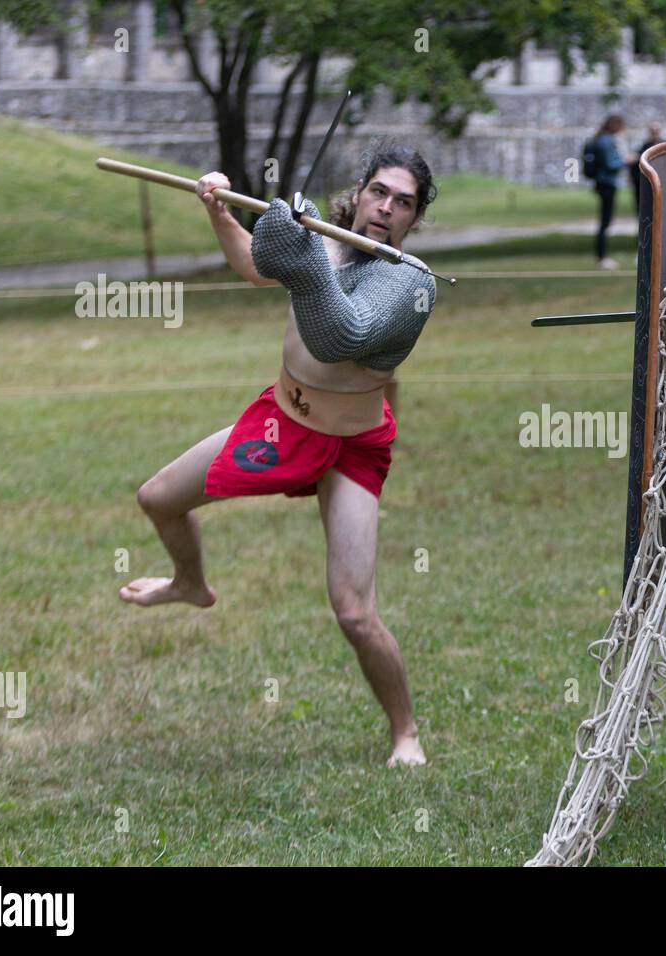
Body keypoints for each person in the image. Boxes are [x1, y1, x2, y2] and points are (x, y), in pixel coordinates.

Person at [119, 145, 438, 769]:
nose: (387, 208)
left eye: (404, 202)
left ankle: (406, 733)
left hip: (351, 446)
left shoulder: (409, 282)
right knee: (157, 497)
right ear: (361, 189)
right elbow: (252, 264)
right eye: (380, 192)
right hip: (282, 421)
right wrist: (219, 209)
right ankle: (190, 582)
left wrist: (302, 261)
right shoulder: (317, 239)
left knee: (353, 611)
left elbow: (345, 332)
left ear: (415, 217)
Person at [584, 114, 637, 269]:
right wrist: (627, 161)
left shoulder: (600, 139)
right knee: (605, 221)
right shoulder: (606, 141)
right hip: (607, 183)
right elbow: (611, 164)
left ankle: (601, 255)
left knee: (605, 220)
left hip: (603, 183)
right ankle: (601, 256)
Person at [629, 121, 665, 212]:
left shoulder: (664, 145)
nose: (654, 133)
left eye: (655, 131)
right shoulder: (645, 145)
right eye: (652, 131)